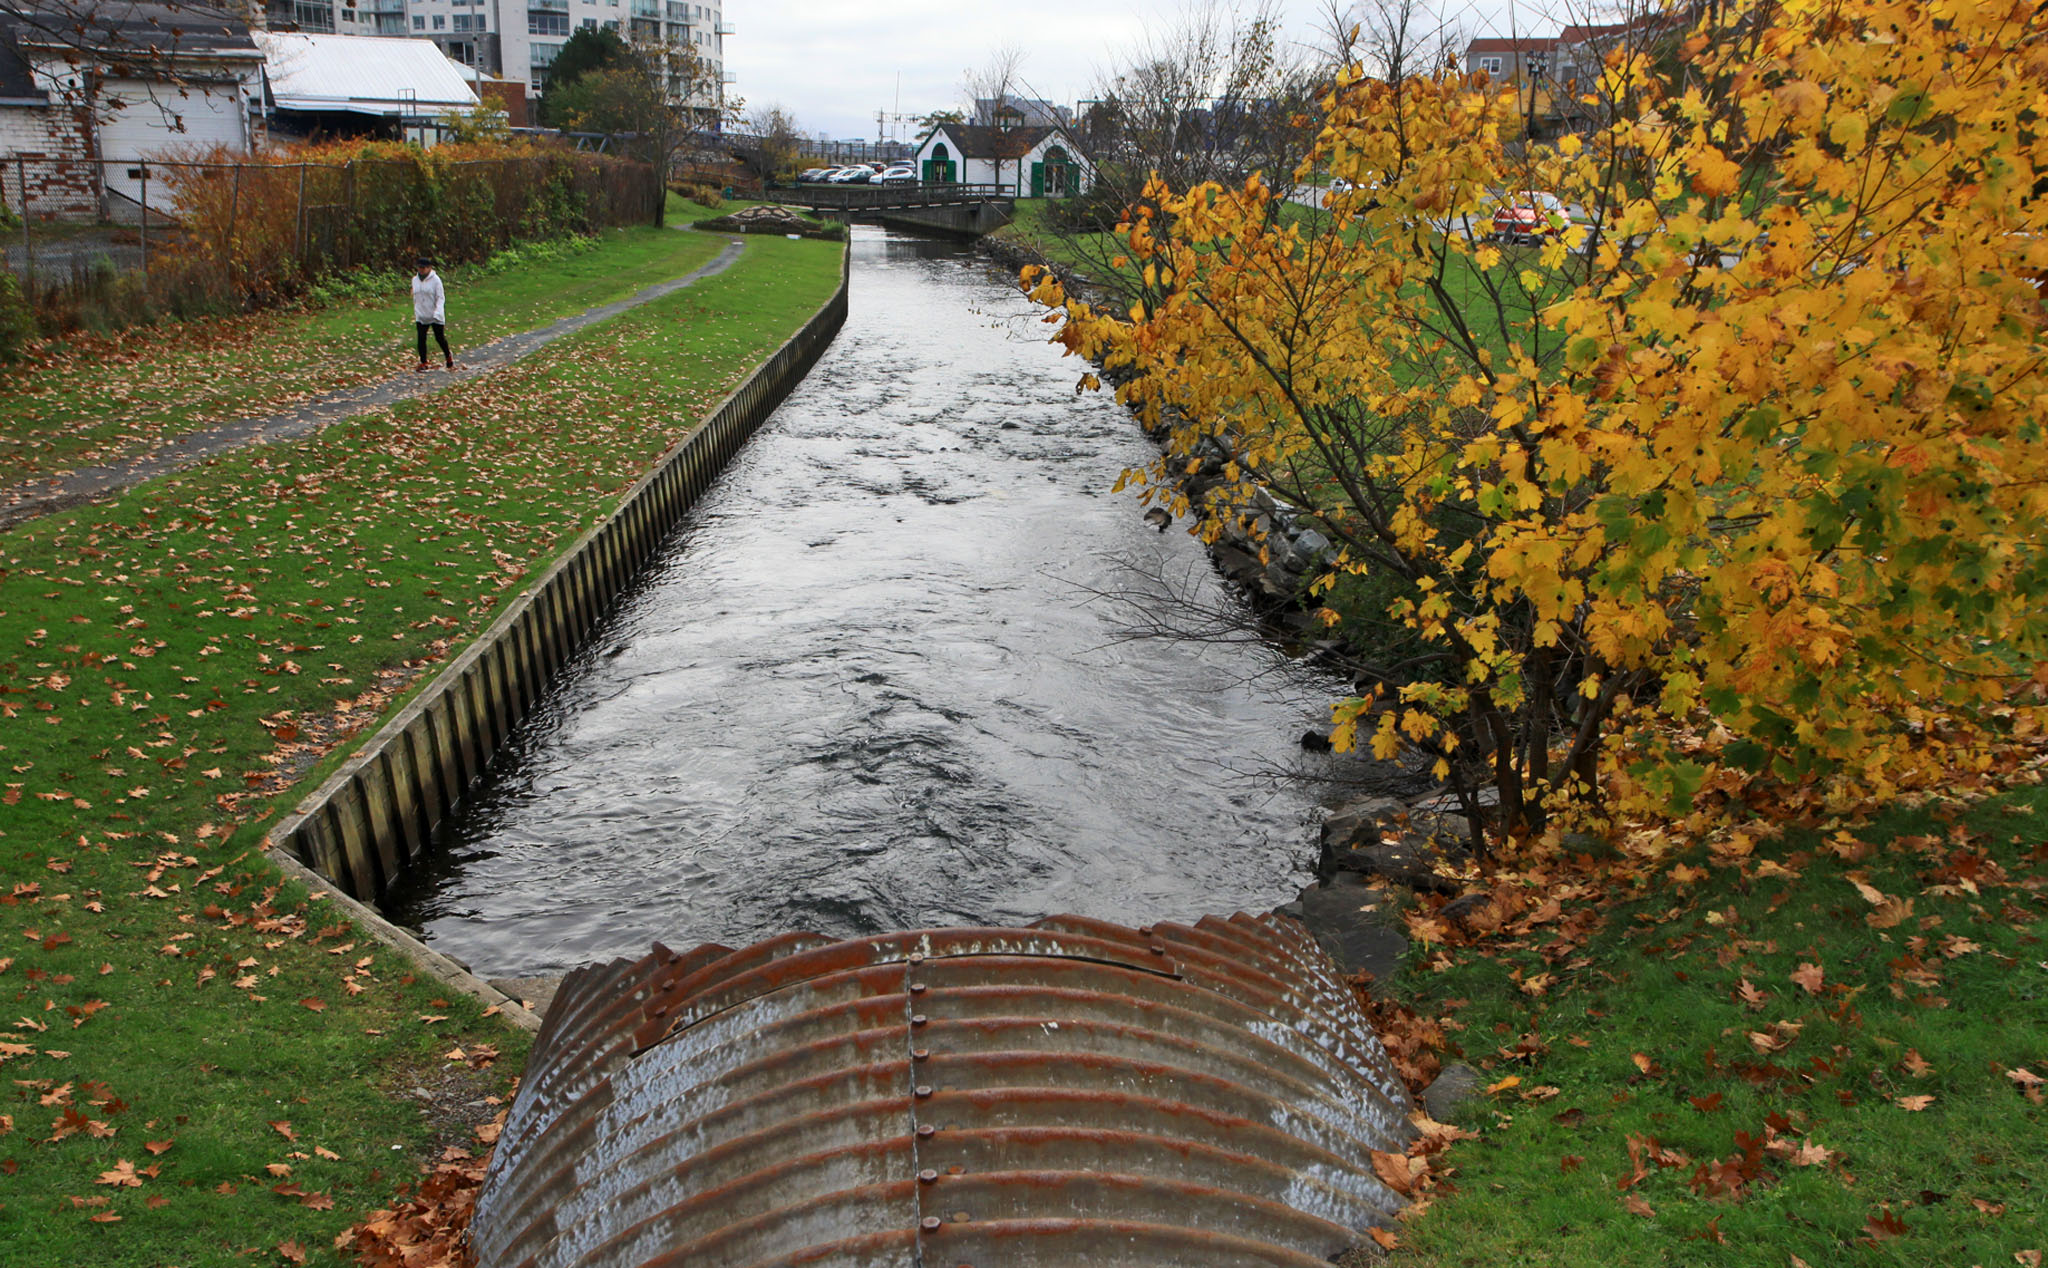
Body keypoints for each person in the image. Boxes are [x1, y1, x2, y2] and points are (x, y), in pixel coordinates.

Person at [411, 256, 454, 371]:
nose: (421, 270)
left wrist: (438, 312)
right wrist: (417, 311)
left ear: (429, 268)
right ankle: (423, 362)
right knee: (421, 338)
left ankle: (448, 356)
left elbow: (440, 297)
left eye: (423, 268)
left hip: (435, 314)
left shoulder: (436, 280)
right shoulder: (415, 280)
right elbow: (416, 296)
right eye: (419, 267)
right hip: (421, 314)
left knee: (439, 338)